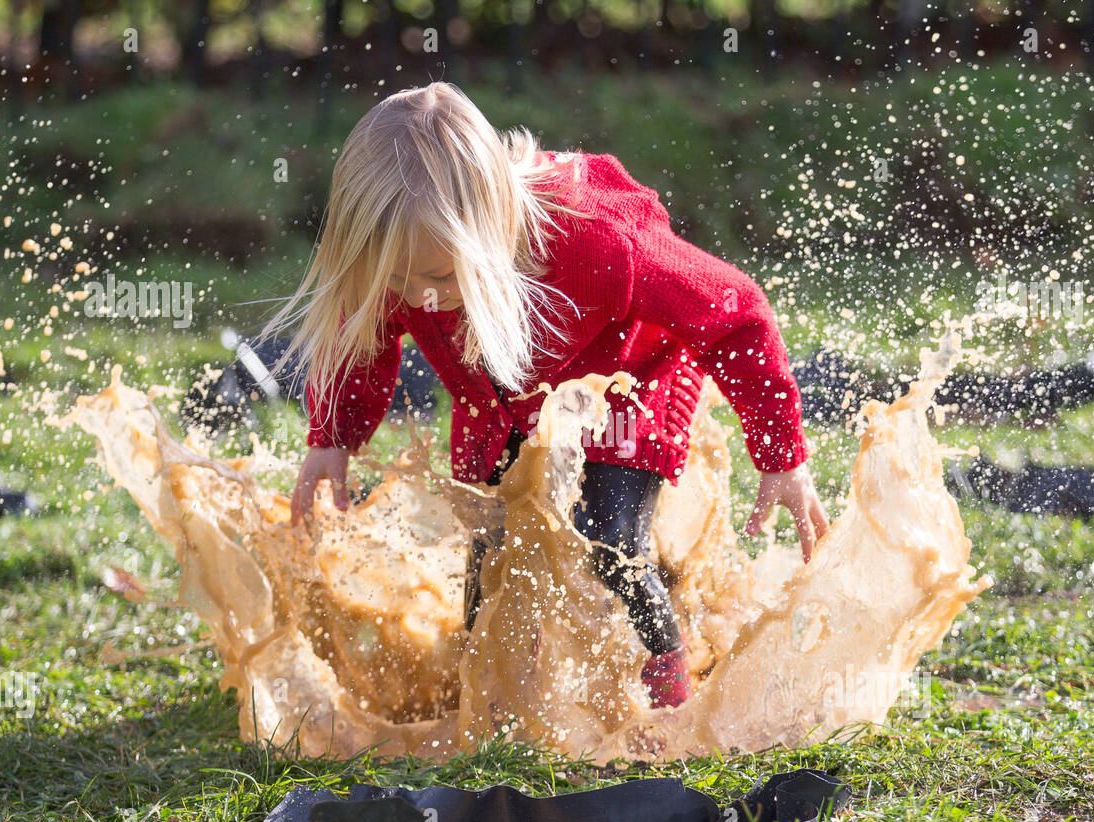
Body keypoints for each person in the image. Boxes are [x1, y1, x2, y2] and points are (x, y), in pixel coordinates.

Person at [266, 82, 827, 709]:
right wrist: (332, 439)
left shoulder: (599, 242)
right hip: (502, 394)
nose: (417, 297)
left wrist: (782, 455)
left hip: (624, 380)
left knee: (607, 537)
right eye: (395, 279)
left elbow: (734, 310)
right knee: (493, 546)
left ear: (494, 231)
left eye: (439, 278)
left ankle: (669, 679)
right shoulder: (405, 262)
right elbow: (359, 339)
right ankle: (490, 693)